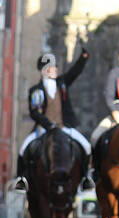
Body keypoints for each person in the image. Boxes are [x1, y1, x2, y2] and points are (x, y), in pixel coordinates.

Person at [16, 49, 94, 192]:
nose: (55, 69)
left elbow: (74, 73)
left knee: (86, 146)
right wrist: (48, 125)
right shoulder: (36, 90)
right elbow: (35, 112)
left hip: (63, 126)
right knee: (23, 148)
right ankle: (21, 179)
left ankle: (85, 178)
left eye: (55, 67)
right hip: (44, 128)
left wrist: (83, 58)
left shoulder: (62, 84)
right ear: (43, 70)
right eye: (52, 67)